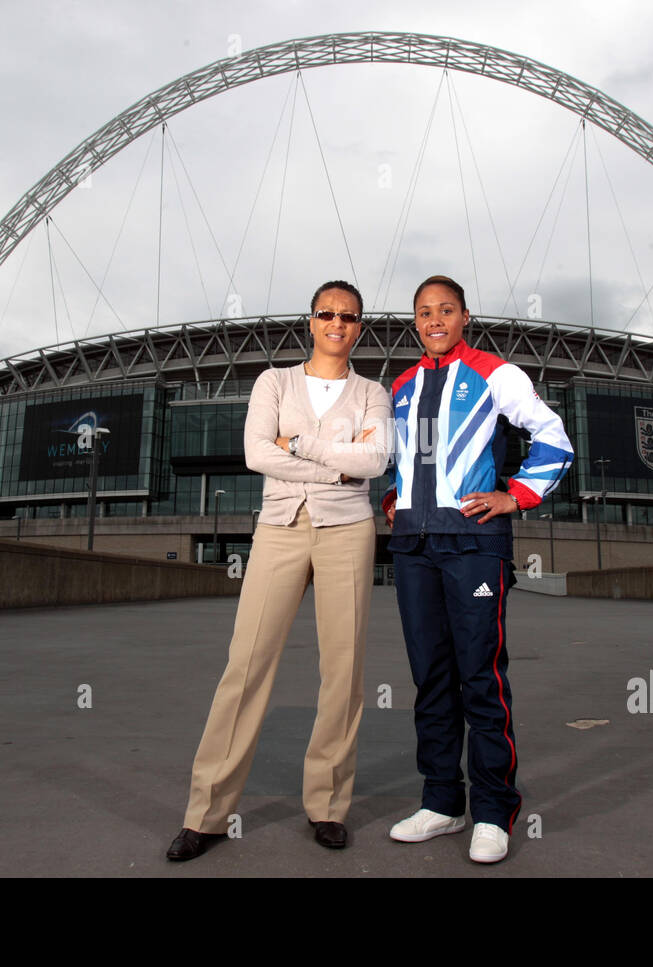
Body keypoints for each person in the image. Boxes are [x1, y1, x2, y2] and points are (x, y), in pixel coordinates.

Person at [167, 280, 391, 861]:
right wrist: (335, 467)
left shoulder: (372, 392)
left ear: (358, 327)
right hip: (279, 529)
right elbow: (256, 453)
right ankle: (207, 813)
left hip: (347, 531)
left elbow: (375, 460)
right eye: (327, 313)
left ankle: (328, 806)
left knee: (343, 672)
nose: (337, 322)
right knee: (246, 665)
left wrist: (304, 447)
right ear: (310, 322)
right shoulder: (275, 380)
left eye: (348, 316)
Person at [382, 275, 574, 863]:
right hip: (414, 548)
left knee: (480, 678)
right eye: (424, 312)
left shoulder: (497, 372)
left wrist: (514, 496)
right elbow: (403, 459)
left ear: (466, 315)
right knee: (430, 679)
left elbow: (554, 439)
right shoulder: (402, 385)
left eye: (446, 310)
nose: (434, 320)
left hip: (473, 546)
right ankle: (442, 803)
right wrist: (394, 498)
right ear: (415, 321)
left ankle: (494, 810)